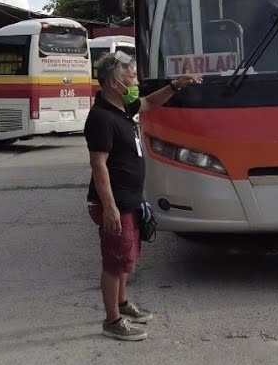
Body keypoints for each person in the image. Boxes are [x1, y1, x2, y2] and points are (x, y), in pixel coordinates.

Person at [85, 52, 201, 341]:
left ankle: (123, 304)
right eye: (131, 77)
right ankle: (112, 320)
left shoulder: (124, 108)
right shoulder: (101, 117)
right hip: (114, 201)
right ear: (114, 83)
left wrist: (176, 86)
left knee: (127, 257)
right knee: (114, 261)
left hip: (130, 198)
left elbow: (149, 102)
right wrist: (109, 207)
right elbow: (98, 164)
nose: (136, 82)